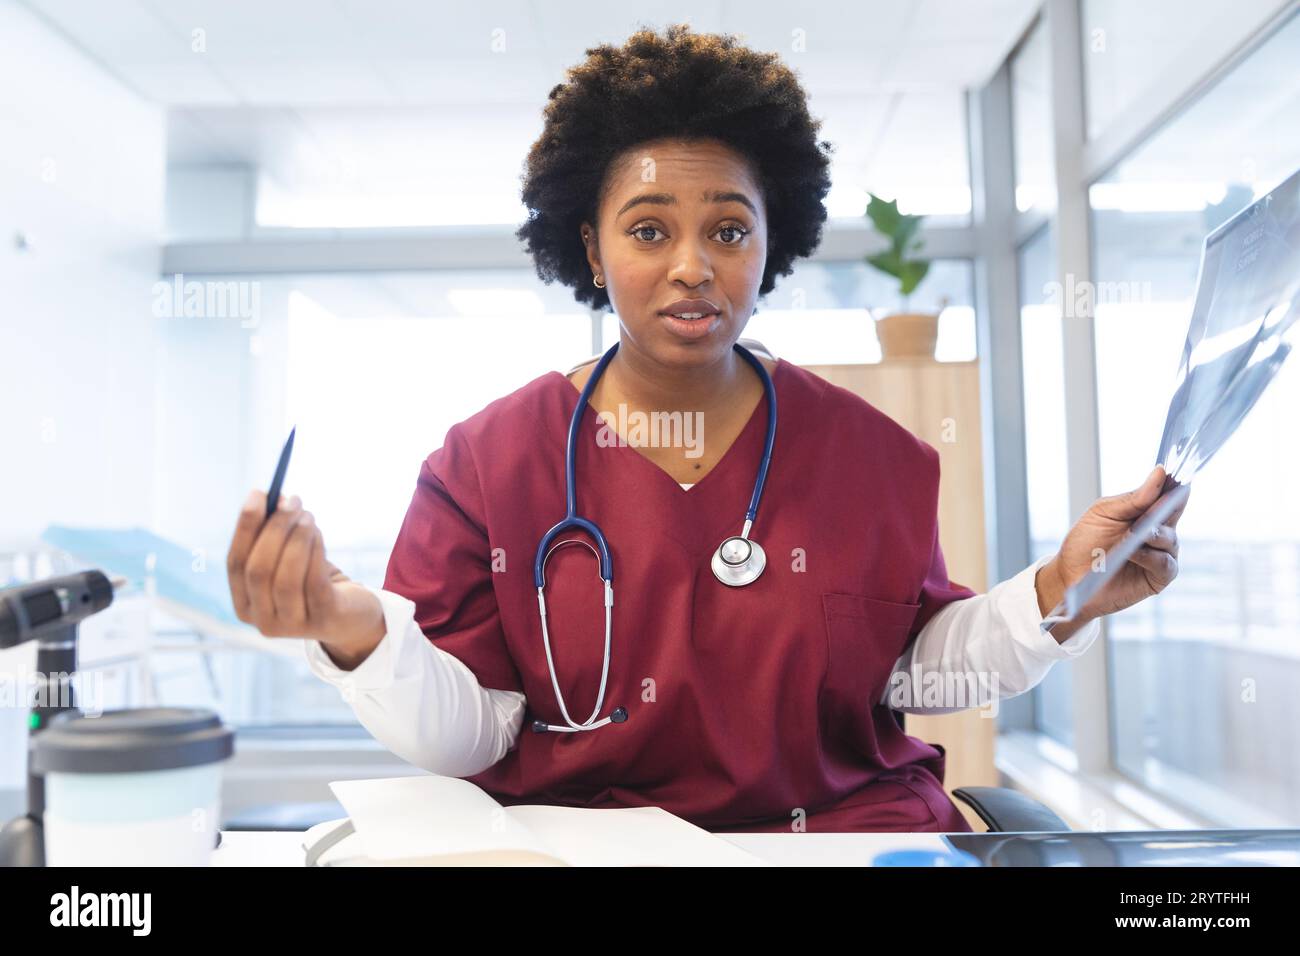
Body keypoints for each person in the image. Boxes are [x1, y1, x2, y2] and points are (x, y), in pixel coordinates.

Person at [224, 24, 1186, 833]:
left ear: (771, 248)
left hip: (832, 845)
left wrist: (1068, 591)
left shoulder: (873, 455)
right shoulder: (488, 463)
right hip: (582, 851)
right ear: (591, 250)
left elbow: (912, 671)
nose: (693, 265)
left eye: (729, 230)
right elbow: (468, 735)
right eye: (648, 230)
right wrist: (348, 628)